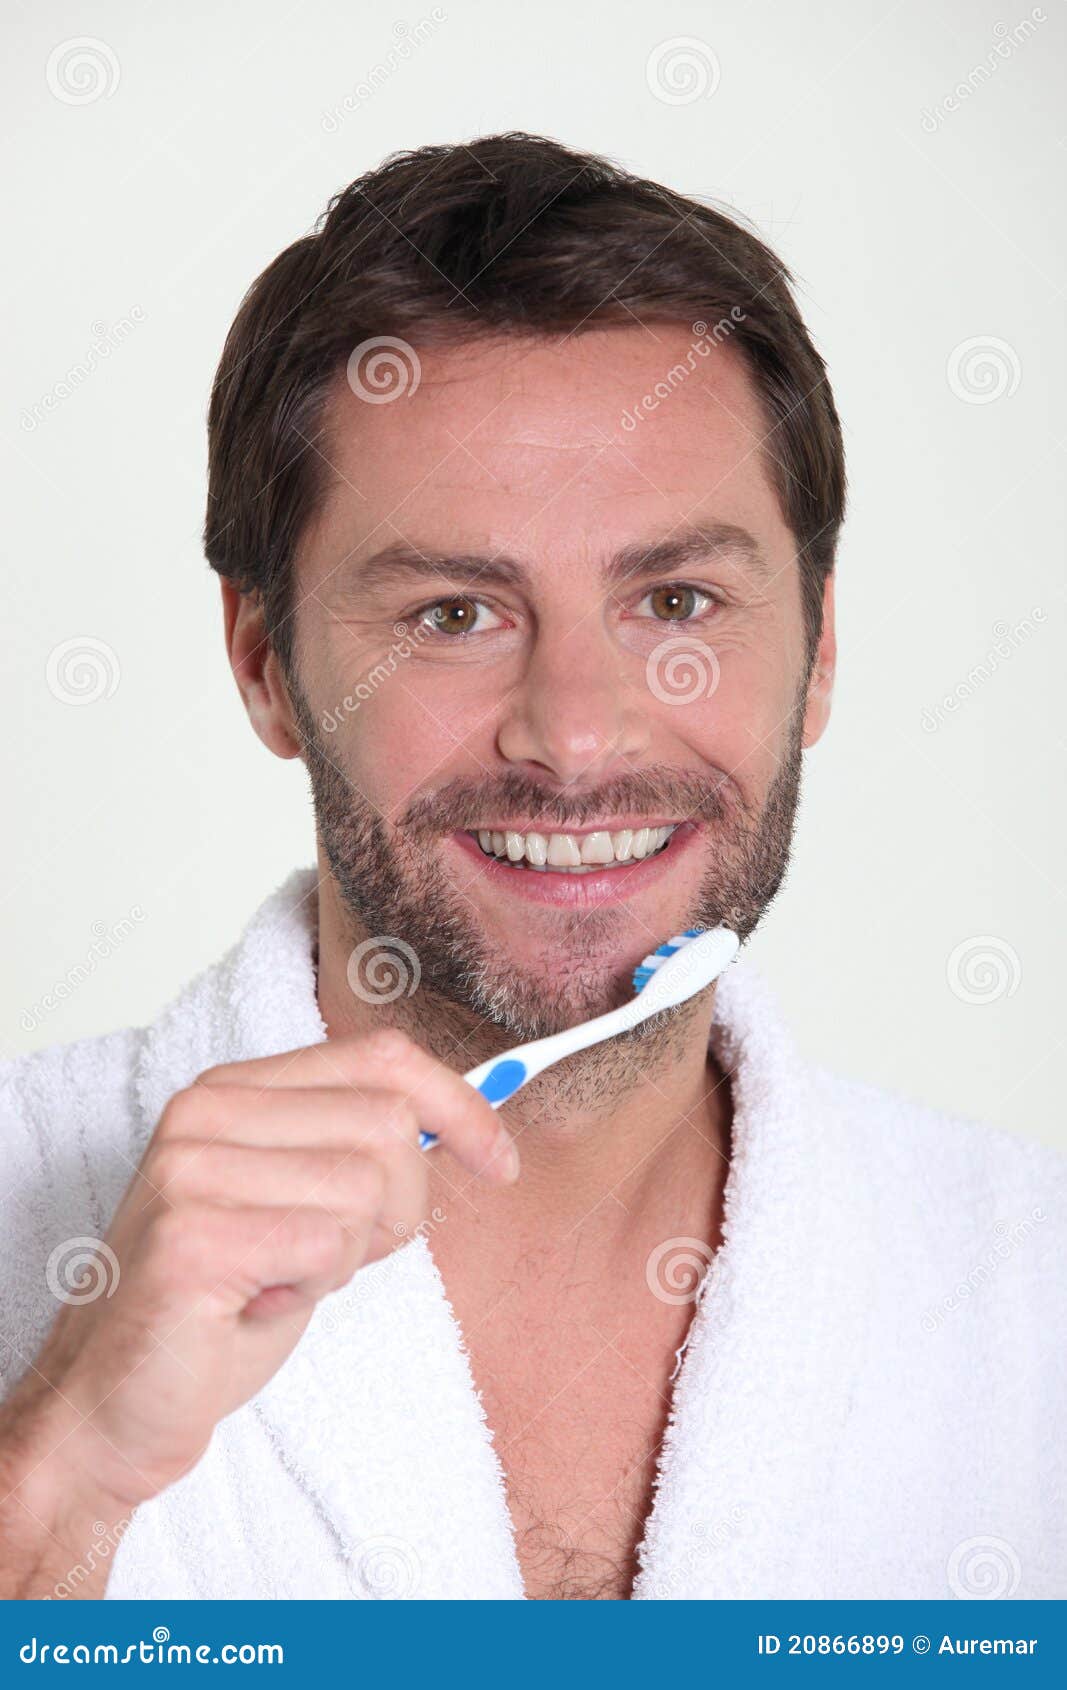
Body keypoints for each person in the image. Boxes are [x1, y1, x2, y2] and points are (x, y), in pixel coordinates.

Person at [1, 134, 1063, 1603]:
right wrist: (57, 1473)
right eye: (452, 614)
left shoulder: (1033, 1293)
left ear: (819, 652)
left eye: (676, 600)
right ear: (263, 664)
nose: (574, 737)